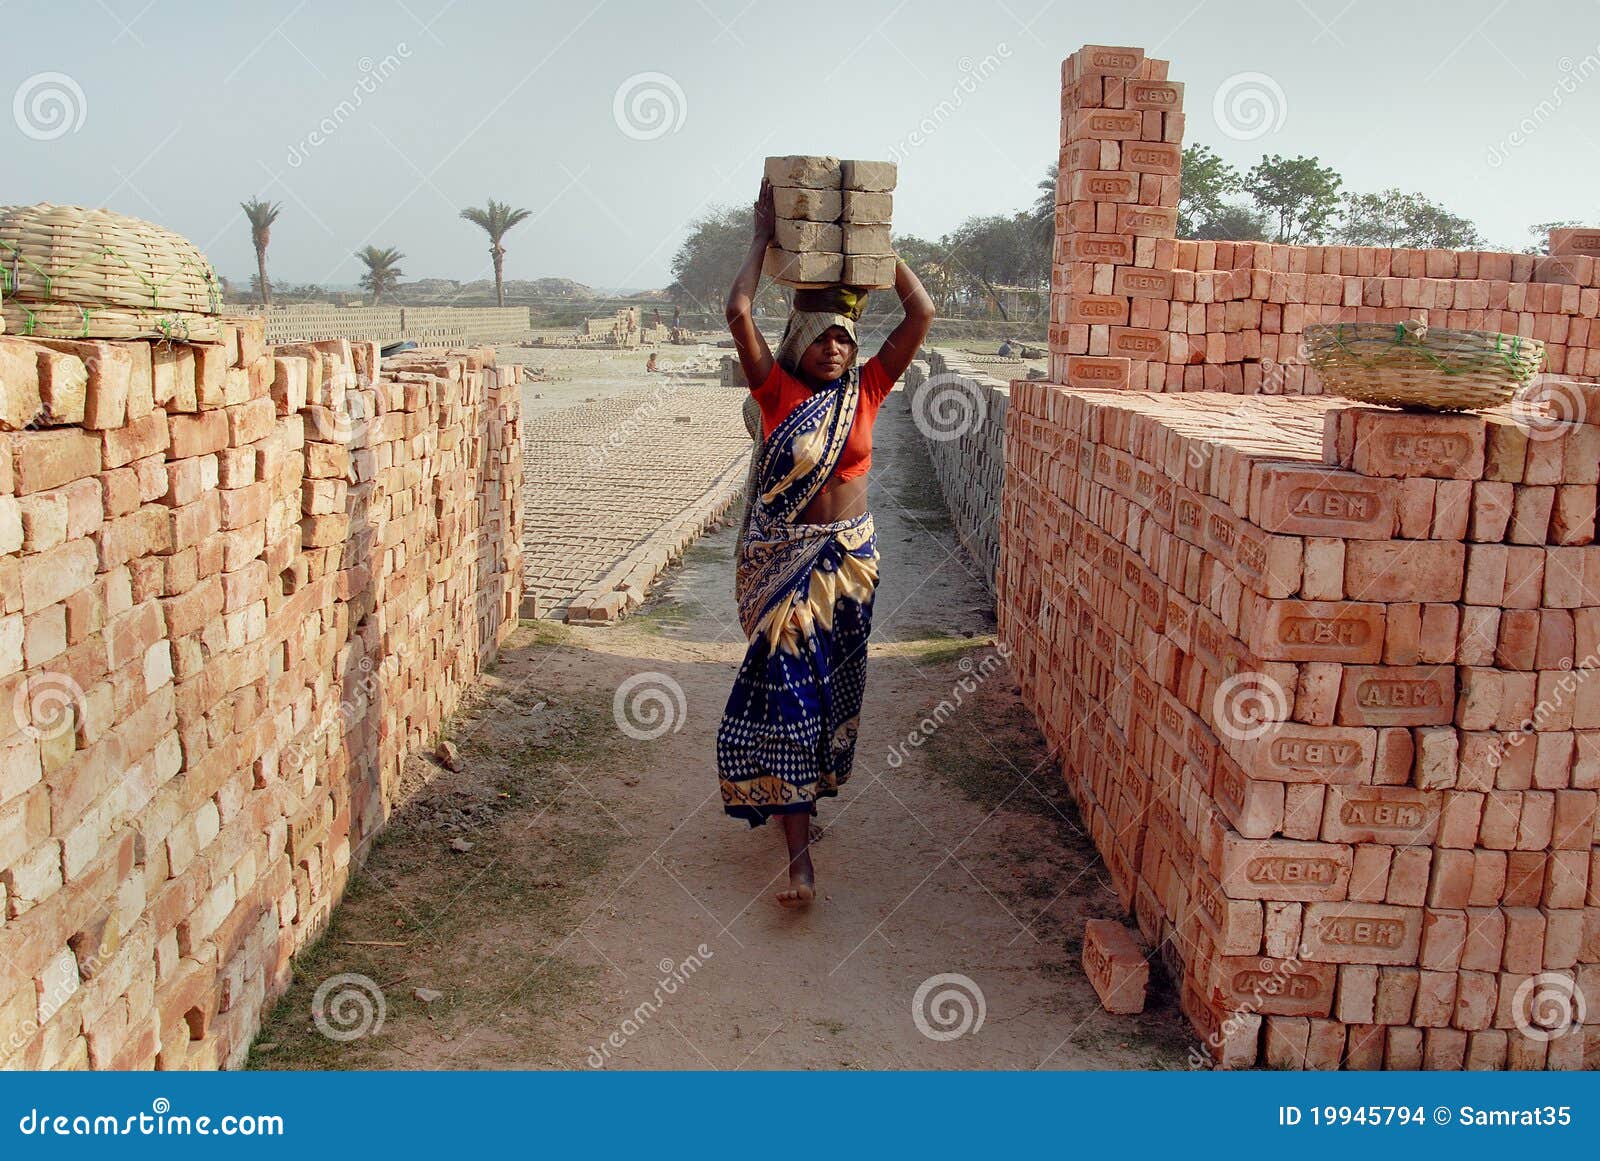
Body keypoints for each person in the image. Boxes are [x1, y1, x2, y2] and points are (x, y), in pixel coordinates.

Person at [719, 177, 934, 908]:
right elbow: (738, 309)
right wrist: (759, 236)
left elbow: (920, 310)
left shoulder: (868, 390)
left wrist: (876, 247)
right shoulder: (777, 392)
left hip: (850, 567)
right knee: (791, 697)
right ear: (803, 343)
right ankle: (800, 860)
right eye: (826, 337)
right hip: (787, 571)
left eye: (847, 337)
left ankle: (802, 802)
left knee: (831, 694)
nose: (839, 348)